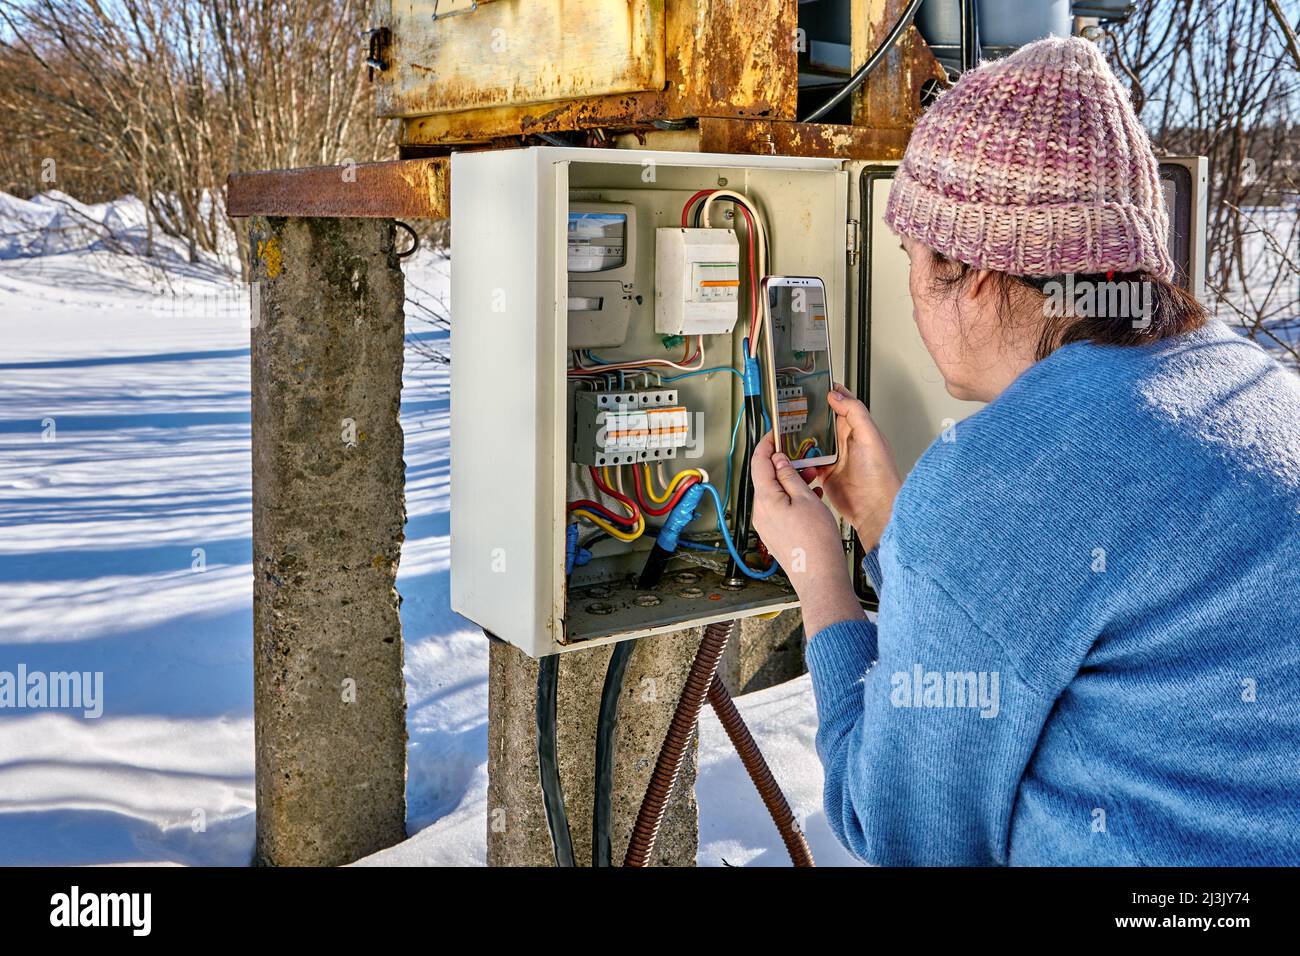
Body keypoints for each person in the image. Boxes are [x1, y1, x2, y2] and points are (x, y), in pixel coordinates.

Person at [750, 35, 1300, 865]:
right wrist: (890, 527)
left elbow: (901, 825)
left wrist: (818, 574)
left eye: (912, 254)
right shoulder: (1264, 394)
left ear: (967, 270)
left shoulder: (989, 488)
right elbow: (1036, 603)